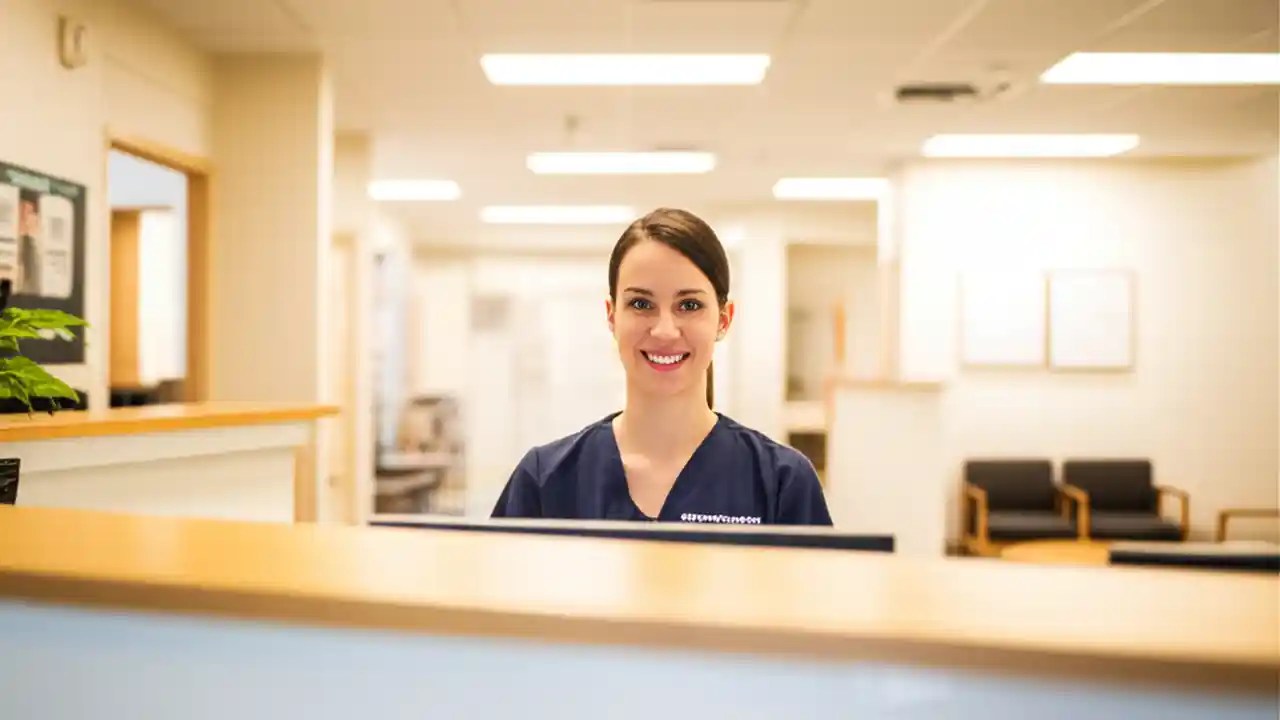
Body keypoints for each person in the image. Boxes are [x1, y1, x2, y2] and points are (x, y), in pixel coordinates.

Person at [491, 207, 832, 525]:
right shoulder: (545, 481)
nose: (665, 330)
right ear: (612, 316)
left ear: (724, 320)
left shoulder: (781, 483)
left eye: (689, 304)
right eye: (641, 303)